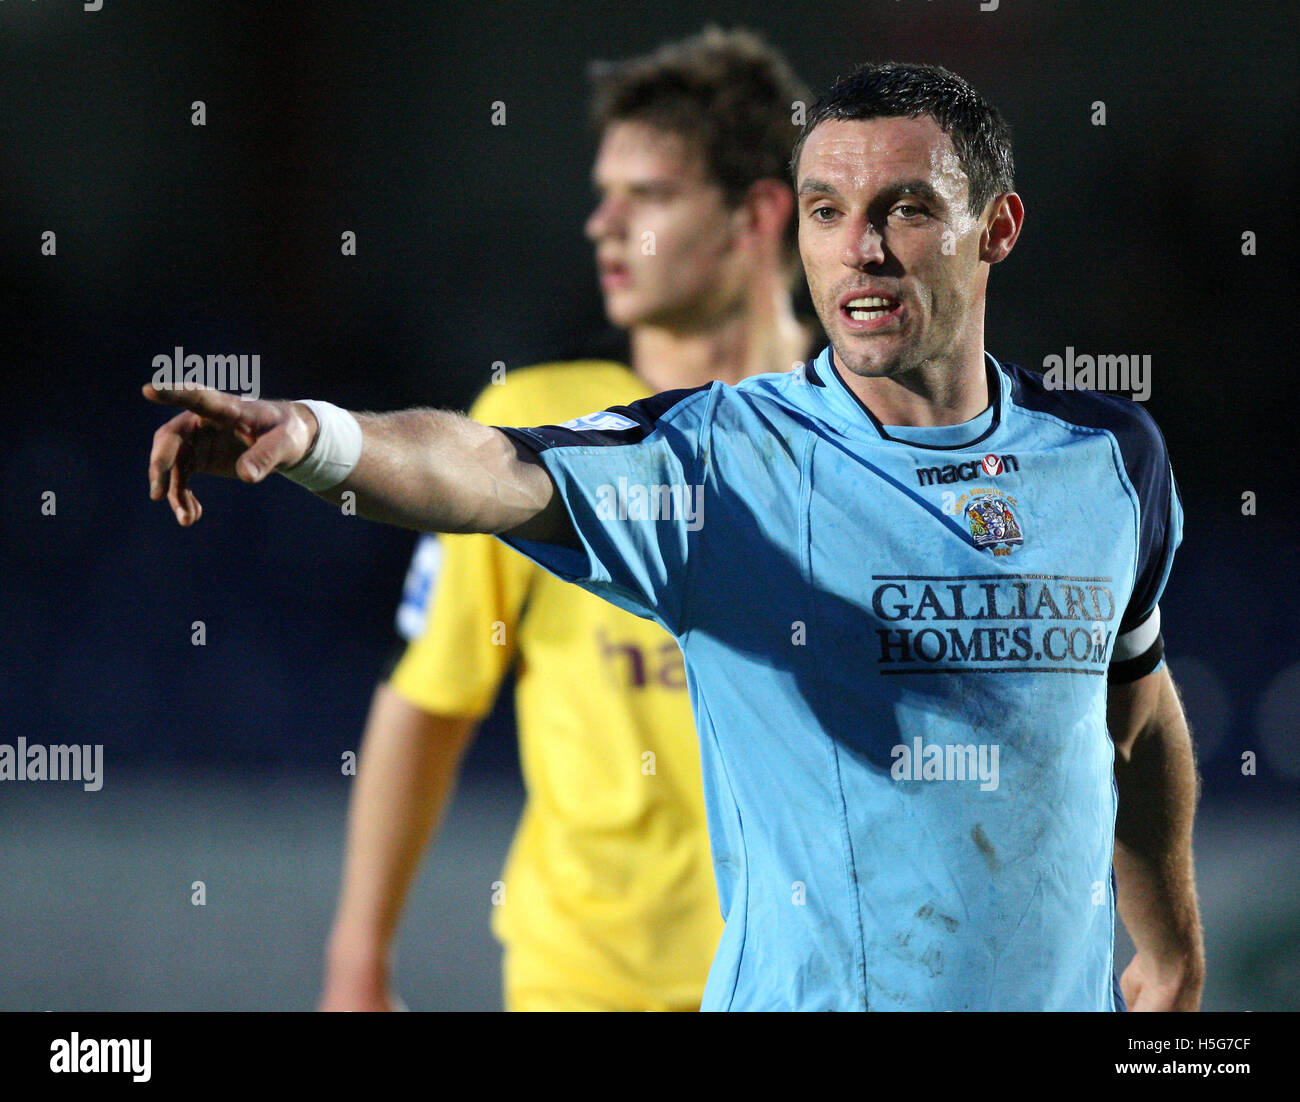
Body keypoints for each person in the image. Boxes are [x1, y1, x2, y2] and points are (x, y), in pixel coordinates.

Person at [144, 61, 1205, 1012]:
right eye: (829, 212)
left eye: (907, 211)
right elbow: (485, 469)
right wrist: (323, 437)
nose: (861, 251)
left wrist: (1167, 949)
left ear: (999, 229)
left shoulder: (1111, 457)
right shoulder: (719, 459)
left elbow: (1134, 709)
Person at [317, 28, 816, 1012]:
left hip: (816, 984)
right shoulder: (524, 435)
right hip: (585, 985)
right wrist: (356, 958)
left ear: (758, 216)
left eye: (648, 196)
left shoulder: (875, 432)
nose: (600, 224)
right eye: (603, 192)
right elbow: (426, 701)